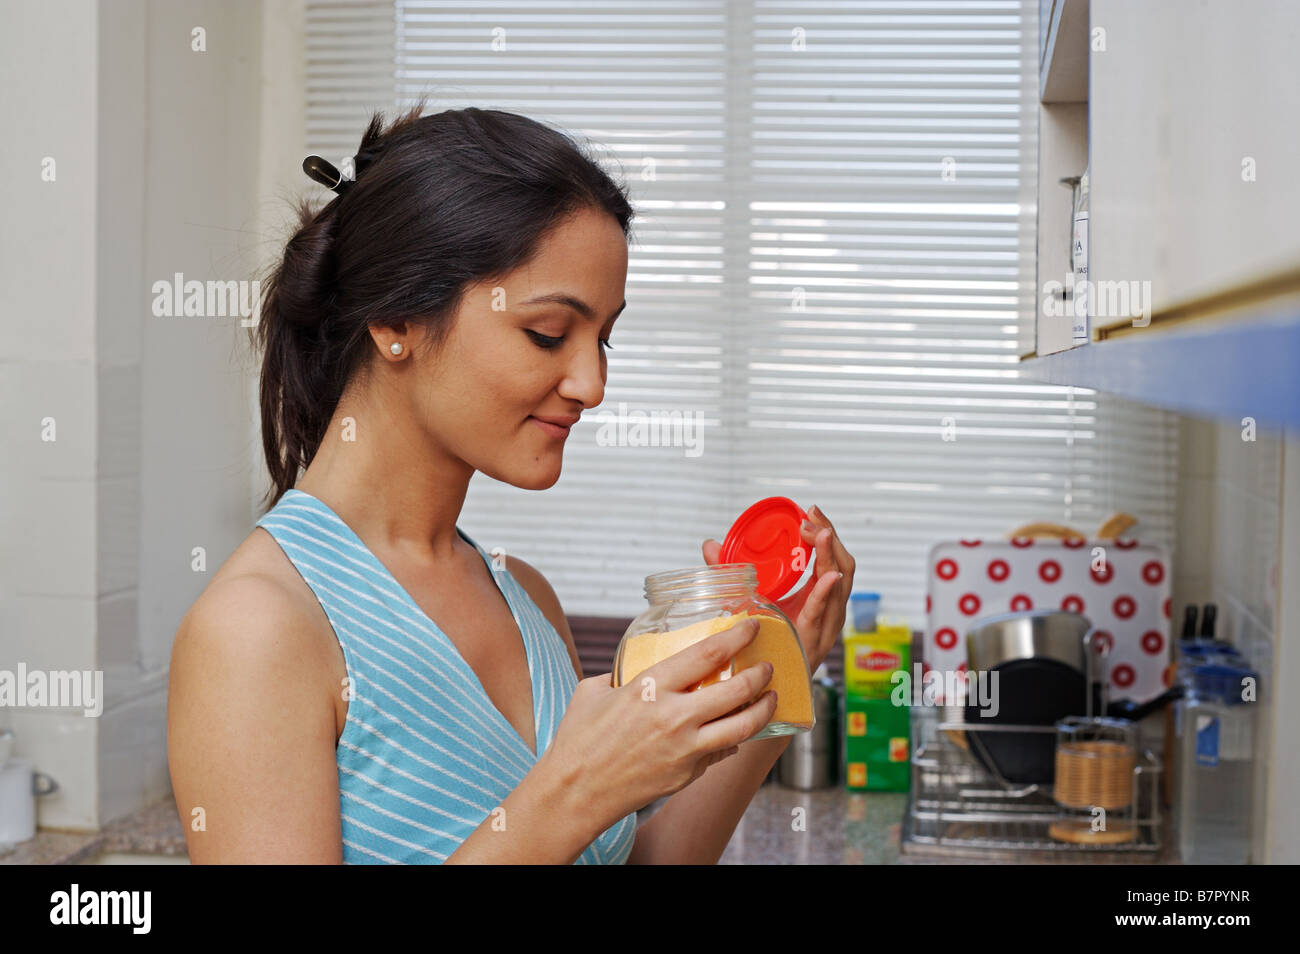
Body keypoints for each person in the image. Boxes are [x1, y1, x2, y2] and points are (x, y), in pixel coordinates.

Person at [166, 102, 855, 864]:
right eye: (549, 334)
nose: (592, 383)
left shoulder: (523, 597)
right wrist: (573, 795)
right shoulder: (259, 629)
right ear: (395, 317)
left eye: (604, 338)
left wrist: (773, 681)